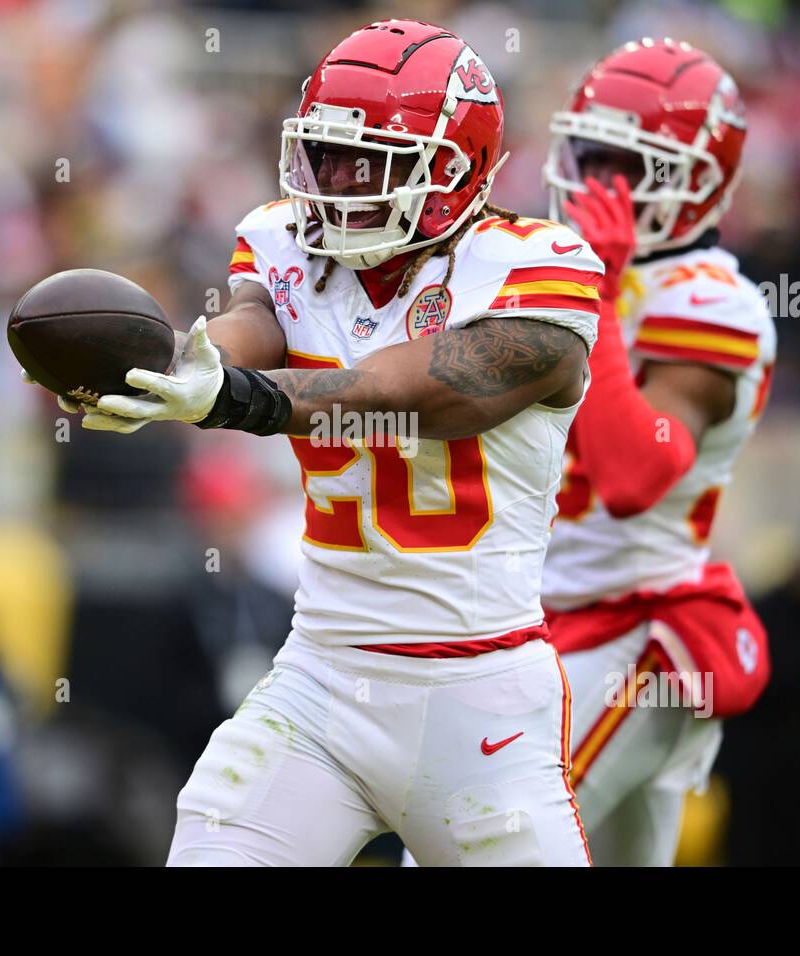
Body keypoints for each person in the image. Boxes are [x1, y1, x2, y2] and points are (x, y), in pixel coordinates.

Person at [42, 19, 605, 866]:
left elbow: (422, 395)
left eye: (371, 158)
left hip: (477, 694)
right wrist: (173, 370)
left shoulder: (538, 266)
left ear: (457, 167)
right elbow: (254, 323)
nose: (339, 181)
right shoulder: (282, 239)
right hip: (323, 675)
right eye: (328, 154)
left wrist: (240, 400)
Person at [538, 38, 776, 865]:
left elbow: (634, 473)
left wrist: (598, 298)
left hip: (635, 628)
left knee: (478, 836)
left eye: (630, 164)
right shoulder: (556, 263)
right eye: (591, 154)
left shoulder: (712, 304)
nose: (600, 183)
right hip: (541, 622)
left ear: (699, 181)